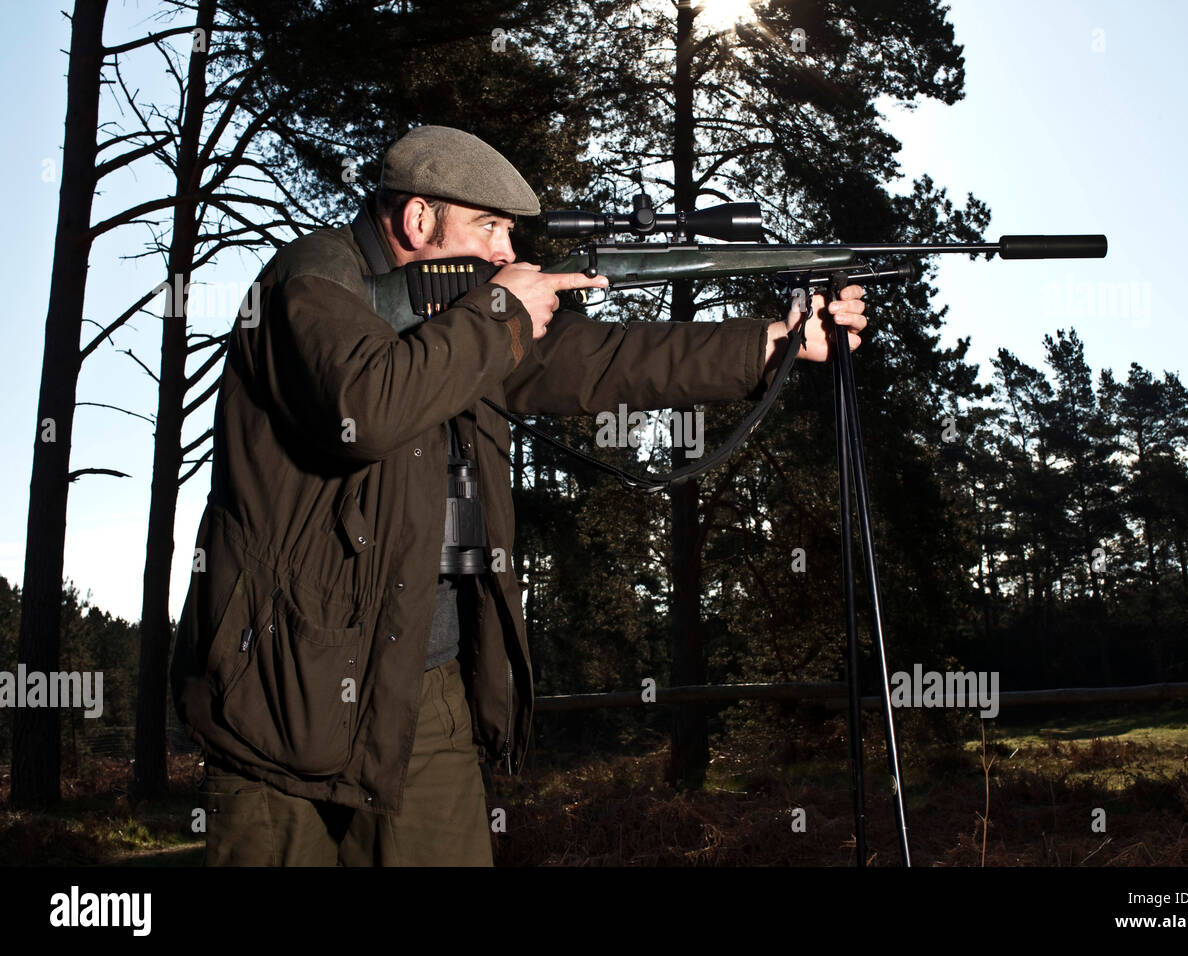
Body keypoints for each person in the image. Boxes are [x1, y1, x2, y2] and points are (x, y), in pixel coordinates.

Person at [170, 126, 868, 866]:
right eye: (489, 226)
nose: (507, 252)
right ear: (417, 220)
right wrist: (500, 314)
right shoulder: (313, 279)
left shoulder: (464, 318)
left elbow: (607, 362)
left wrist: (772, 341)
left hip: (424, 689)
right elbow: (365, 407)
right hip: (278, 694)